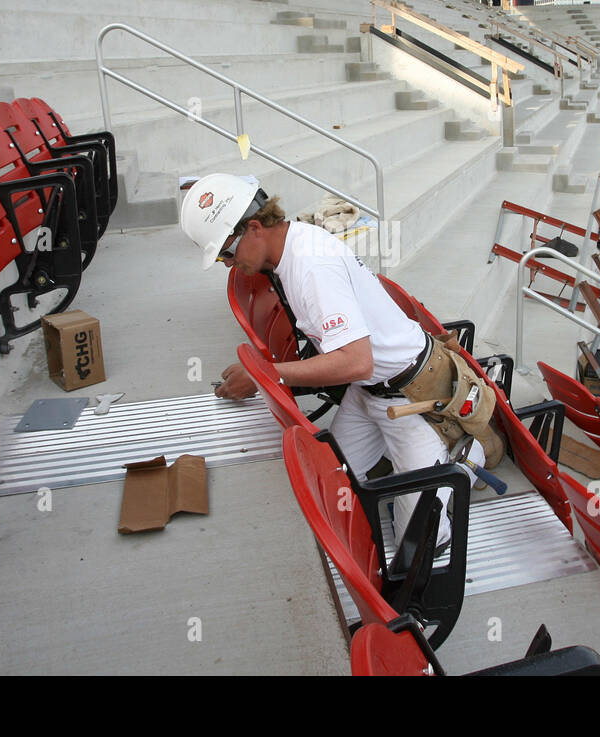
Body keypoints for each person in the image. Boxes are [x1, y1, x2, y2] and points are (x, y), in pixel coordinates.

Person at [178, 173, 485, 550]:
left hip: (411, 397)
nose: (228, 264)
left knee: (420, 543)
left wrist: (263, 376)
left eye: (227, 252)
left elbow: (356, 361)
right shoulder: (290, 250)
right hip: (369, 391)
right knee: (327, 483)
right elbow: (359, 368)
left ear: (254, 228)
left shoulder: (310, 266)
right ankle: (416, 465)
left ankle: (463, 459)